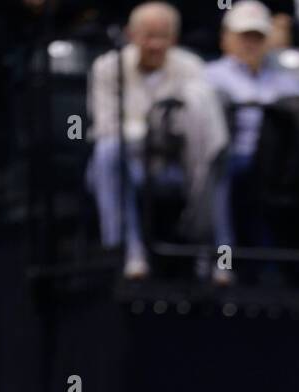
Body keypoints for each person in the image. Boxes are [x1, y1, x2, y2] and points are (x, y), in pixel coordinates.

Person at [87, 2, 229, 278]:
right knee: (106, 153)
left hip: (177, 161)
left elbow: (196, 125)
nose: (154, 45)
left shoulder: (191, 66)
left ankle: (216, 259)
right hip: (128, 162)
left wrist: (147, 128)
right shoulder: (107, 67)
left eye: (162, 37)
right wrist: (155, 127)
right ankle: (128, 252)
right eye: (147, 36)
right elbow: (106, 127)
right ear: (131, 35)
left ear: (174, 39)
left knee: (216, 151)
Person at [205, 1, 299, 275]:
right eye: (244, 36)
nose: (251, 43)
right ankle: (221, 258)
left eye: (258, 37)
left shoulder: (288, 82)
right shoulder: (208, 76)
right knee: (221, 168)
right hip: (228, 156)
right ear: (225, 37)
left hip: (277, 163)